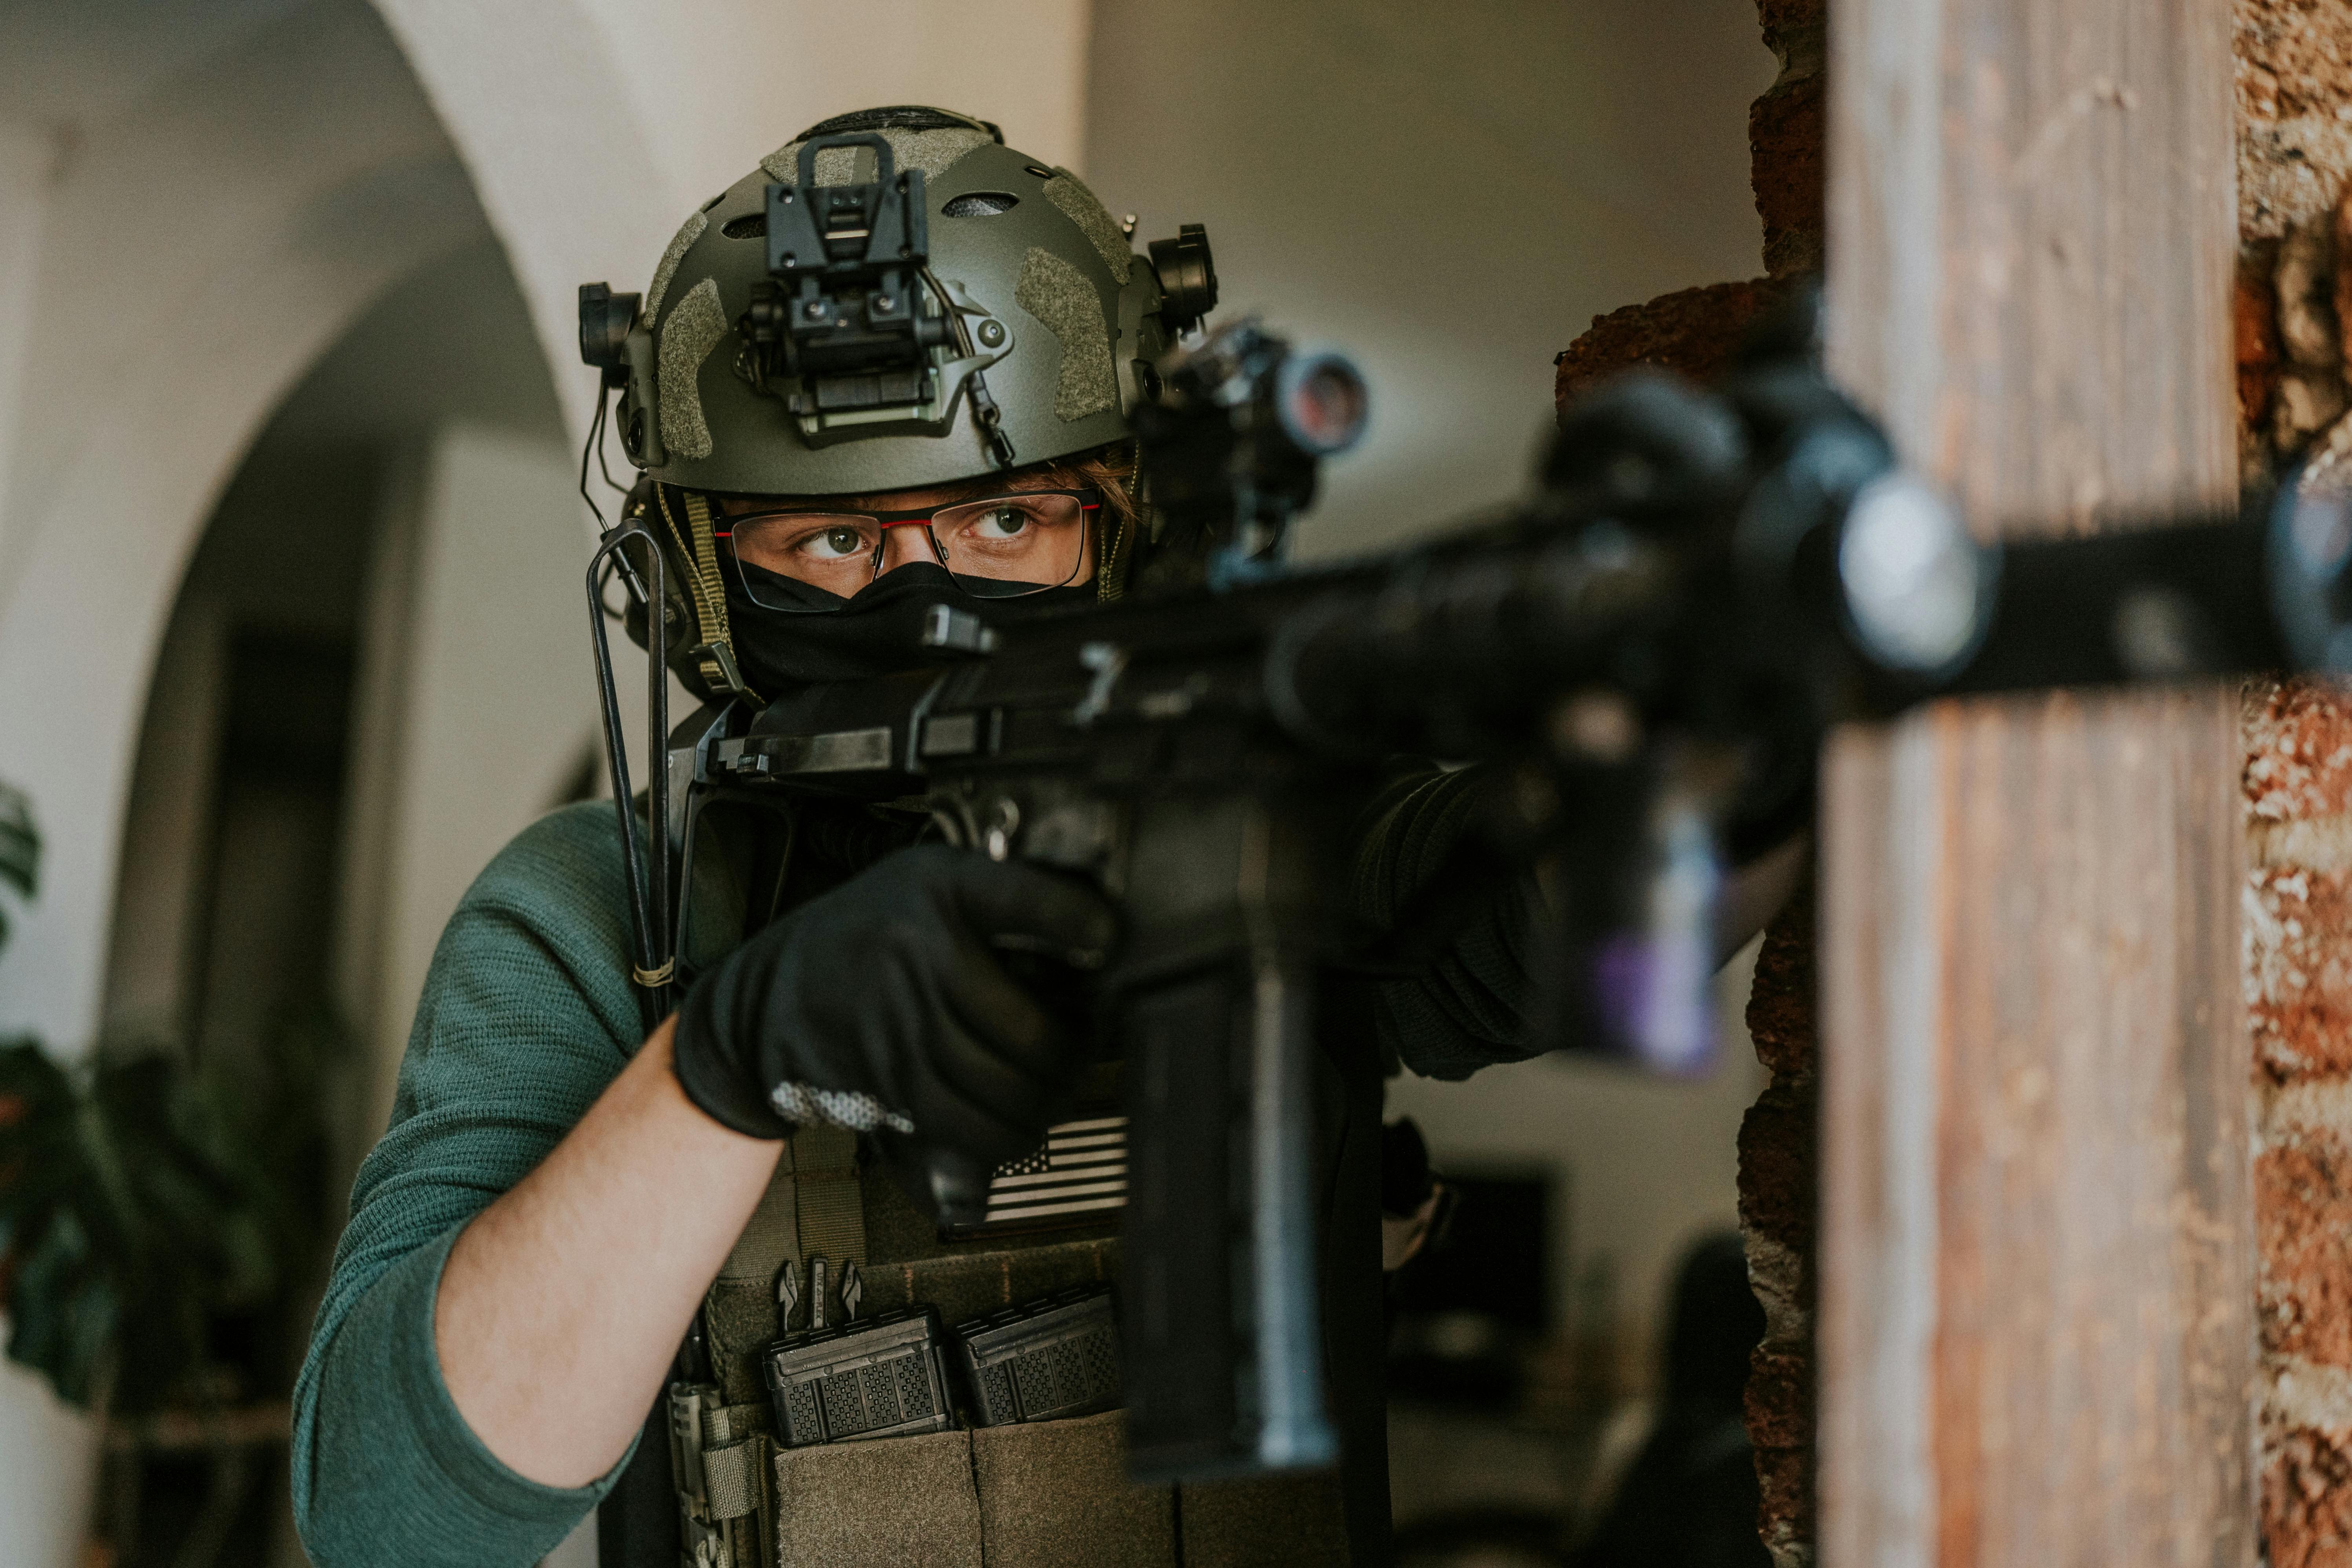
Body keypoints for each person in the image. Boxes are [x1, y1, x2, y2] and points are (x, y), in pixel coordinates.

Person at [290, 106, 1550, 1568]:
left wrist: (1710, 744)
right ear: (703, 580)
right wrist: (719, 1067)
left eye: (1006, 520)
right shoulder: (591, 913)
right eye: (833, 543)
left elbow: (1546, 930)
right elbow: (385, 1519)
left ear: (1122, 527)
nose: (924, 603)